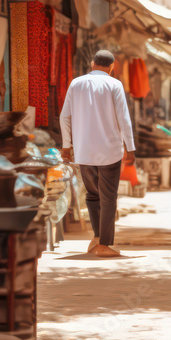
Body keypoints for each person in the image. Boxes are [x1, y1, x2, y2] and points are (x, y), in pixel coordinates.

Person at [60, 50, 136, 258]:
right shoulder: (114, 85)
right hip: (109, 150)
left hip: (84, 151)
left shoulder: (76, 83)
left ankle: (96, 237)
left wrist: (66, 146)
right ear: (112, 67)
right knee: (108, 197)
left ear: (92, 63)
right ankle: (104, 244)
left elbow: (65, 116)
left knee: (93, 195)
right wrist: (130, 148)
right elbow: (124, 119)